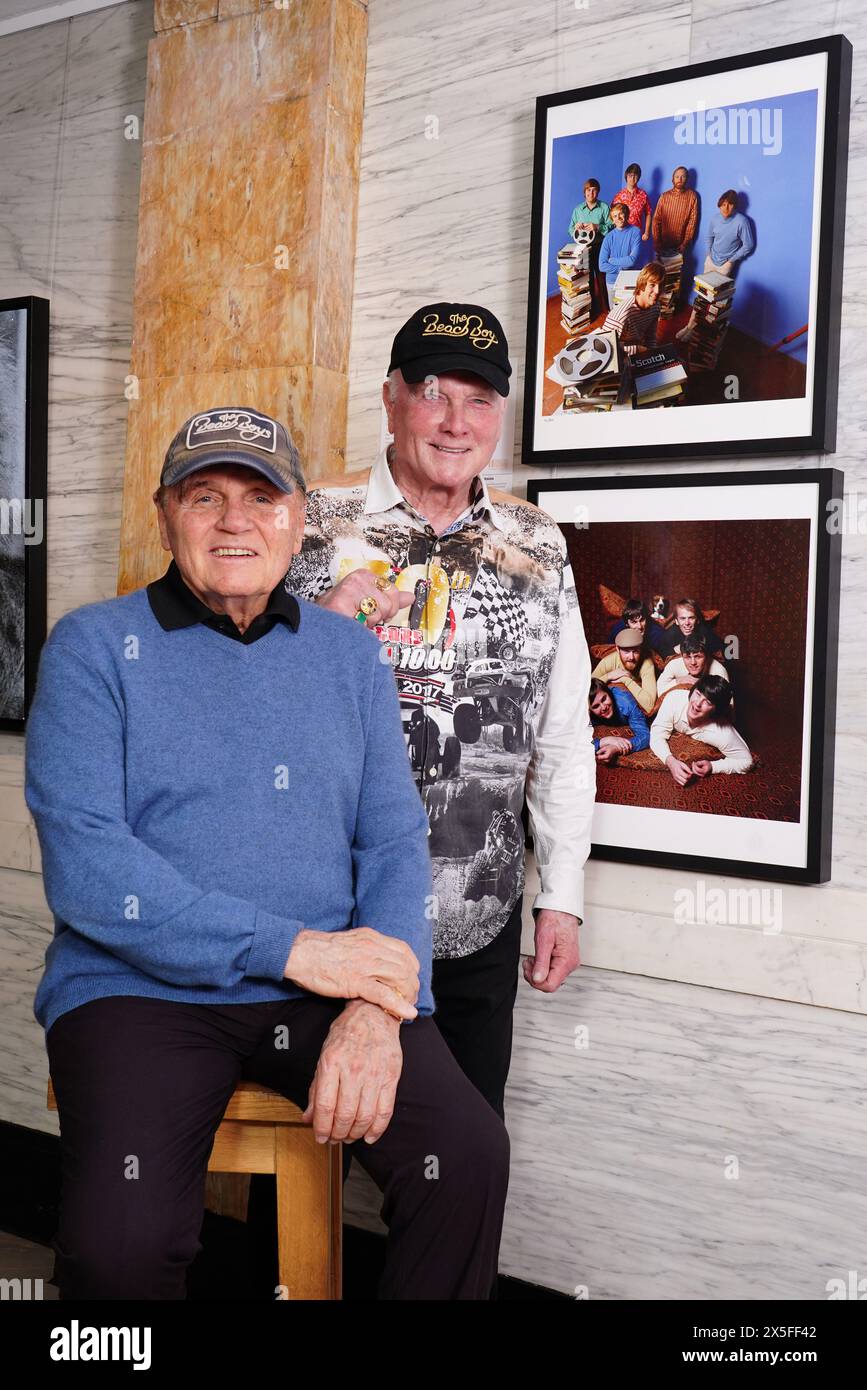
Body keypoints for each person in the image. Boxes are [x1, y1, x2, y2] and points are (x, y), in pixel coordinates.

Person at [25, 406, 509, 1301]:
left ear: (296, 518)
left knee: (466, 1159)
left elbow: (393, 840)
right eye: (204, 496)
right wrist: (297, 950)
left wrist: (381, 1002)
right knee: (116, 1245)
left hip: (325, 990)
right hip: (137, 988)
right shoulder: (93, 648)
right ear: (163, 515)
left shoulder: (348, 658)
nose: (234, 520)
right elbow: (91, 867)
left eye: (260, 496)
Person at [287, 303, 597, 1120]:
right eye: (432, 392)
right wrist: (321, 626)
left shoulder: (539, 543)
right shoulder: (304, 522)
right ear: (390, 397)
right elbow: (234, 705)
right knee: (303, 1150)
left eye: (481, 400)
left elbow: (560, 733)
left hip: (474, 917)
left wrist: (559, 894)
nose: (457, 423)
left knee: (462, 1158)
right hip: (320, 916)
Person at [676, 189, 754, 343]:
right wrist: (709, 254)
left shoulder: (742, 221)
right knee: (701, 297)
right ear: (719, 205)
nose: (726, 208)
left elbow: (748, 245)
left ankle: (701, 333)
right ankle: (689, 327)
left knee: (715, 303)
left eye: (730, 205)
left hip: (725, 266)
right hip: (710, 261)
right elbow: (708, 237)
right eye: (723, 204)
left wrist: (731, 260)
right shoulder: (714, 218)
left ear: (735, 206)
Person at [649, 674, 752, 783]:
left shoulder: (722, 733)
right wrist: (671, 762)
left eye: (707, 702)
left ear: (716, 710)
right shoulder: (673, 699)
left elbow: (746, 761)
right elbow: (657, 734)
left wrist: (713, 766)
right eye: (698, 694)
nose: (697, 704)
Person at [568, 178, 612, 315]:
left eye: (594, 190)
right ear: (584, 192)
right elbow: (570, 230)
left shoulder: (604, 207)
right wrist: (576, 228)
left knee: (601, 277)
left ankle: (606, 308)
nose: (591, 193)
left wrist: (598, 227)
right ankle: (591, 308)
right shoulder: (577, 210)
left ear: (597, 192)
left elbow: (612, 227)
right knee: (586, 280)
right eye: (588, 190)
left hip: (601, 247)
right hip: (584, 249)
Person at [602, 260, 664, 356]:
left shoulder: (655, 306)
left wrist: (653, 355)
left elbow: (650, 337)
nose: (657, 291)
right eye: (652, 285)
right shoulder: (620, 317)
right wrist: (637, 349)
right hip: (620, 354)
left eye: (661, 285)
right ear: (642, 285)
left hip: (639, 347)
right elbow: (605, 348)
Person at [591, 626, 657, 714]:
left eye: (635, 651)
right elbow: (587, 691)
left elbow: (650, 706)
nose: (631, 657)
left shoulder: (646, 663)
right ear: (617, 649)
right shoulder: (608, 661)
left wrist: (625, 680)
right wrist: (609, 676)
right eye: (626, 651)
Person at [589, 676, 650, 762]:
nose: (603, 707)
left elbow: (646, 736)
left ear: (609, 693)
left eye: (604, 699)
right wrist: (602, 741)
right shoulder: (585, 713)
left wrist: (617, 747)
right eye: (596, 706)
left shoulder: (626, 703)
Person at [656, 630, 729, 698]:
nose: (693, 662)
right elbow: (659, 692)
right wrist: (678, 681)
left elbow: (729, 706)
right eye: (688, 657)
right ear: (682, 656)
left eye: (698, 657)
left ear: (706, 656)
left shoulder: (719, 670)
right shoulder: (674, 664)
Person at [652, 166, 699, 263]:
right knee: (660, 274)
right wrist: (657, 242)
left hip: (680, 246)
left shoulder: (692, 196)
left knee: (676, 275)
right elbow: (656, 220)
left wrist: (685, 243)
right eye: (677, 176)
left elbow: (692, 222)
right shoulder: (665, 196)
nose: (680, 179)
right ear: (673, 179)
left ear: (687, 179)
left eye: (683, 176)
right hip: (662, 244)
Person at [657, 596, 724, 660]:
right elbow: (661, 655)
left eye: (691, 618)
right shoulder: (670, 635)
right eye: (683, 618)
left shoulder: (705, 632)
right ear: (676, 621)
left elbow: (720, 650)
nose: (687, 623)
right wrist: (675, 650)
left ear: (697, 620)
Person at [598, 203, 642, 300]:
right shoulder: (608, 237)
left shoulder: (636, 232)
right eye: (615, 216)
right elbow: (601, 266)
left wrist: (611, 260)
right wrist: (620, 269)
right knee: (613, 310)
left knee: (629, 309)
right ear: (612, 220)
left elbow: (632, 260)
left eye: (621, 214)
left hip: (630, 278)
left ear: (626, 214)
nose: (618, 218)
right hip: (612, 281)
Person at [610, 163, 652, 242]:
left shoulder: (643, 195)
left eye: (635, 176)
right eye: (630, 176)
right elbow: (611, 215)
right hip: (620, 236)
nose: (632, 178)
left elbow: (648, 213)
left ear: (638, 177)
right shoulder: (618, 196)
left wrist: (646, 232)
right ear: (626, 176)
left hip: (636, 236)